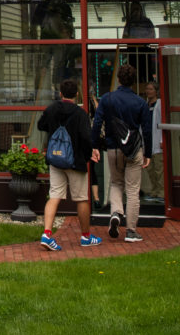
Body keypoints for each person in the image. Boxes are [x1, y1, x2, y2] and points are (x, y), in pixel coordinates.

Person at [91, 62, 152, 243]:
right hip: (134, 149)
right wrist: (148, 153)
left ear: (118, 79)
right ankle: (131, 231)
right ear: (133, 81)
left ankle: (116, 213)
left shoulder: (107, 99)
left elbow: (97, 122)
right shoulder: (140, 102)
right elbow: (147, 129)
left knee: (116, 183)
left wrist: (94, 145)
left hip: (113, 148)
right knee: (132, 190)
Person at [36, 77, 99, 249]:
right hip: (76, 161)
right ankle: (86, 236)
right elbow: (86, 137)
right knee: (81, 199)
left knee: (54, 196)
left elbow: (41, 125)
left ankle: (47, 234)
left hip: (56, 159)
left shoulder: (52, 109)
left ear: (60, 93)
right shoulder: (80, 113)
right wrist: (89, 154)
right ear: (77, 94)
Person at [139, 81, 165, 205]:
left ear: (156, 91)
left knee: (159, 169)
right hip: (147, 142)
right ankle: (154, 191)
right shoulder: (145, 105)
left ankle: (162, 193)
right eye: (147, 89)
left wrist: (162, 140)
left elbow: (162, 123)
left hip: (157, 142)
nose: (148, 91)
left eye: (151, 89)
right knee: (150, 169)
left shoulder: (159, 104)